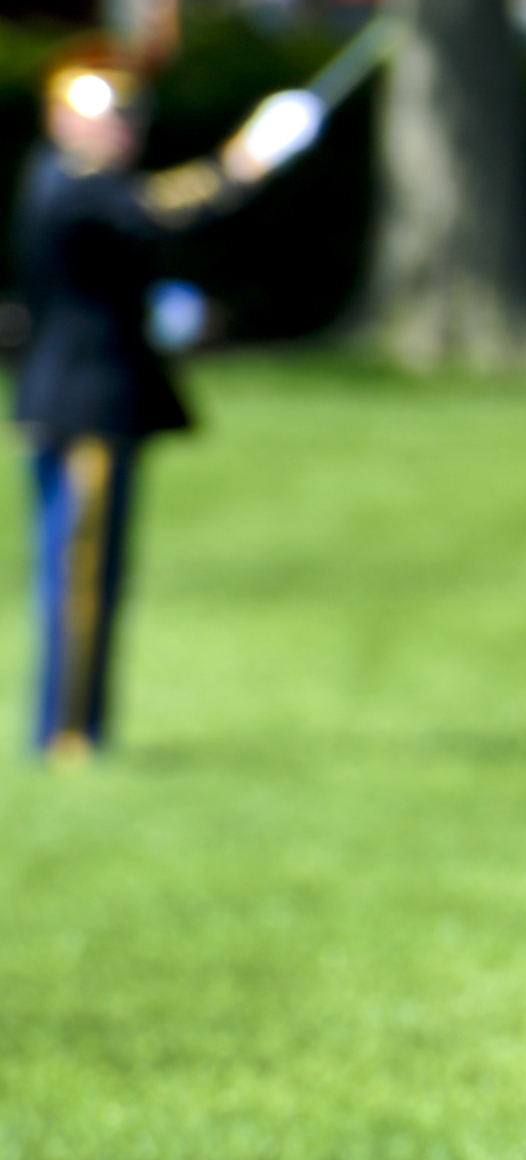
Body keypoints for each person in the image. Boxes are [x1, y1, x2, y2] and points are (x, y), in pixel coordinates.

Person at [13, 51, 324, 763]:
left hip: (89, 398)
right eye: (107, 118)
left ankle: (76, 728)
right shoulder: (73, 183)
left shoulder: (76, 184)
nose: (122, 132)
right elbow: (159, 210)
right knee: (82, 577)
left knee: (93, 573)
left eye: (128, 118)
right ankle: (66, 734)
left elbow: (111, 261)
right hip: (84, 405)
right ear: (65, 121)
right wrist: (250, 157)